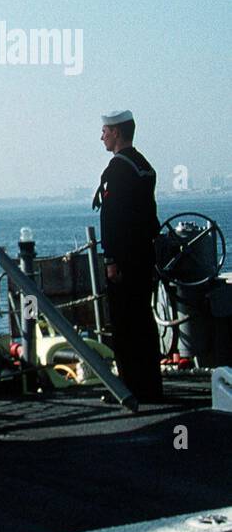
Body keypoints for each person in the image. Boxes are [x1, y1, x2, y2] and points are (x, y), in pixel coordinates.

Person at [93, 110, 163, 402]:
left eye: (105, 131)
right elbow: (149, 217)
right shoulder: (144, 166)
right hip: (143, 255)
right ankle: (150, 385)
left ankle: (129, 387)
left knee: (124, 324)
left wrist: (110, 260)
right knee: (143, 321)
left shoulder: (117, 169)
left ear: (117, 133)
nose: (102, 137)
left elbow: (112, 219)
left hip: (123, 260)